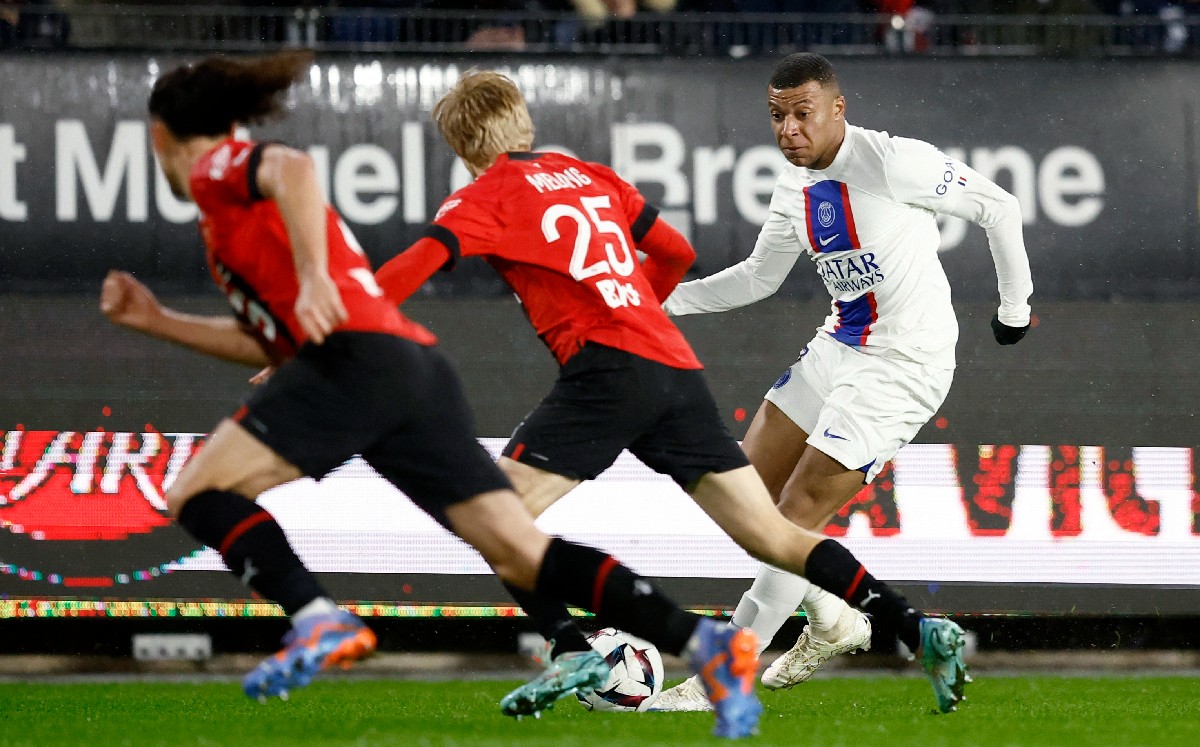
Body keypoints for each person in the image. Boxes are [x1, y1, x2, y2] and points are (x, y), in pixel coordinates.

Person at [101, 50, 776, 740]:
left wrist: (310, 278)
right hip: (413, 370)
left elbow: (293, 170)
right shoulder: (239, 229)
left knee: (195, 492)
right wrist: (158, 320)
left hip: (352, 365)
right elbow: (275, 339)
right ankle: (700, 642)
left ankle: (313, 616)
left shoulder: (215, 169)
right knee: (517, 545)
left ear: (160, 136)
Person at [374, 70, 969, 716]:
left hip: (604, 374)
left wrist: (323, 343)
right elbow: (675, 251)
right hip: (672, 368)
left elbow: (408, 269)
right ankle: (915, 627)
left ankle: (578, 644)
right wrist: (637, 304)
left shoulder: (484, 196)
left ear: (463, 149)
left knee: (489, 515)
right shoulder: (591, 177)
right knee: (773, 532)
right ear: (523, 122)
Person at [650, 51, 1032, 711]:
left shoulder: (893, 161)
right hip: (840, 345)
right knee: (743, 497)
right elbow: (757, 279)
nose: (789, 128)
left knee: (797, 513)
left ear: (837, 109)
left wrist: (1014, 311)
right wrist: (659, 303)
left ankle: (722, 678)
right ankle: (832, 617)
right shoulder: (792, 188)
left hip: (905, 362)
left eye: (802, 113)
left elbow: (998, 207)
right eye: (777, 115)